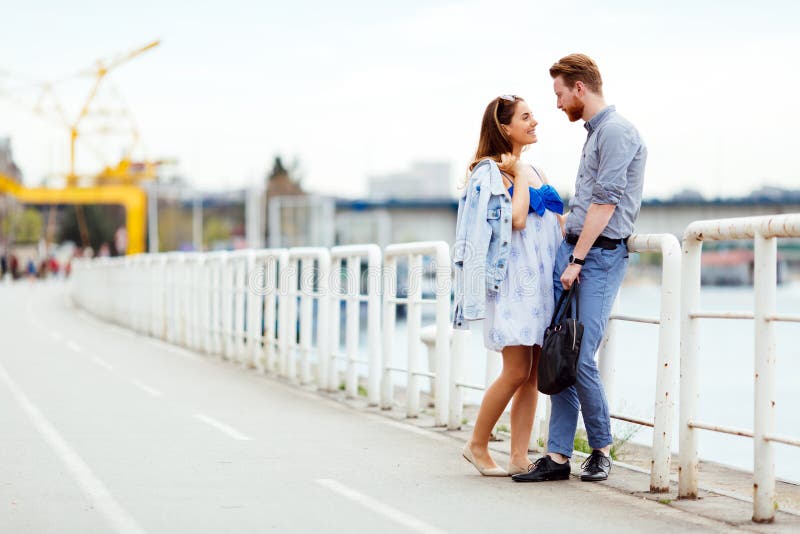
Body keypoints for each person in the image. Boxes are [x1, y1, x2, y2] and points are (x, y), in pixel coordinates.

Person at [513, 54, 647, 483]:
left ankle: (601, 448)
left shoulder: (618, 133)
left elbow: (605, 203)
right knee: (560, 351)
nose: (556, 105)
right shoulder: (595, 133)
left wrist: (576, 259)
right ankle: (557, 456)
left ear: (579, 88)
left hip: (598, 257)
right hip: (574, 253)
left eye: (558, 94)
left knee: (582, 355)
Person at [453, 95, 564, 476]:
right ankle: (477, 444)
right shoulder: (491, 172)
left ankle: (519, 455)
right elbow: (516, 220)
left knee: (532, 373)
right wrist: (515, 175)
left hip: (540, 284)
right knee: (516, 369)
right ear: (504, 127)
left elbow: (551, 225)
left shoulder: (537, 170)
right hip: (515, 283)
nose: (535, 122)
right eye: (526, 117)